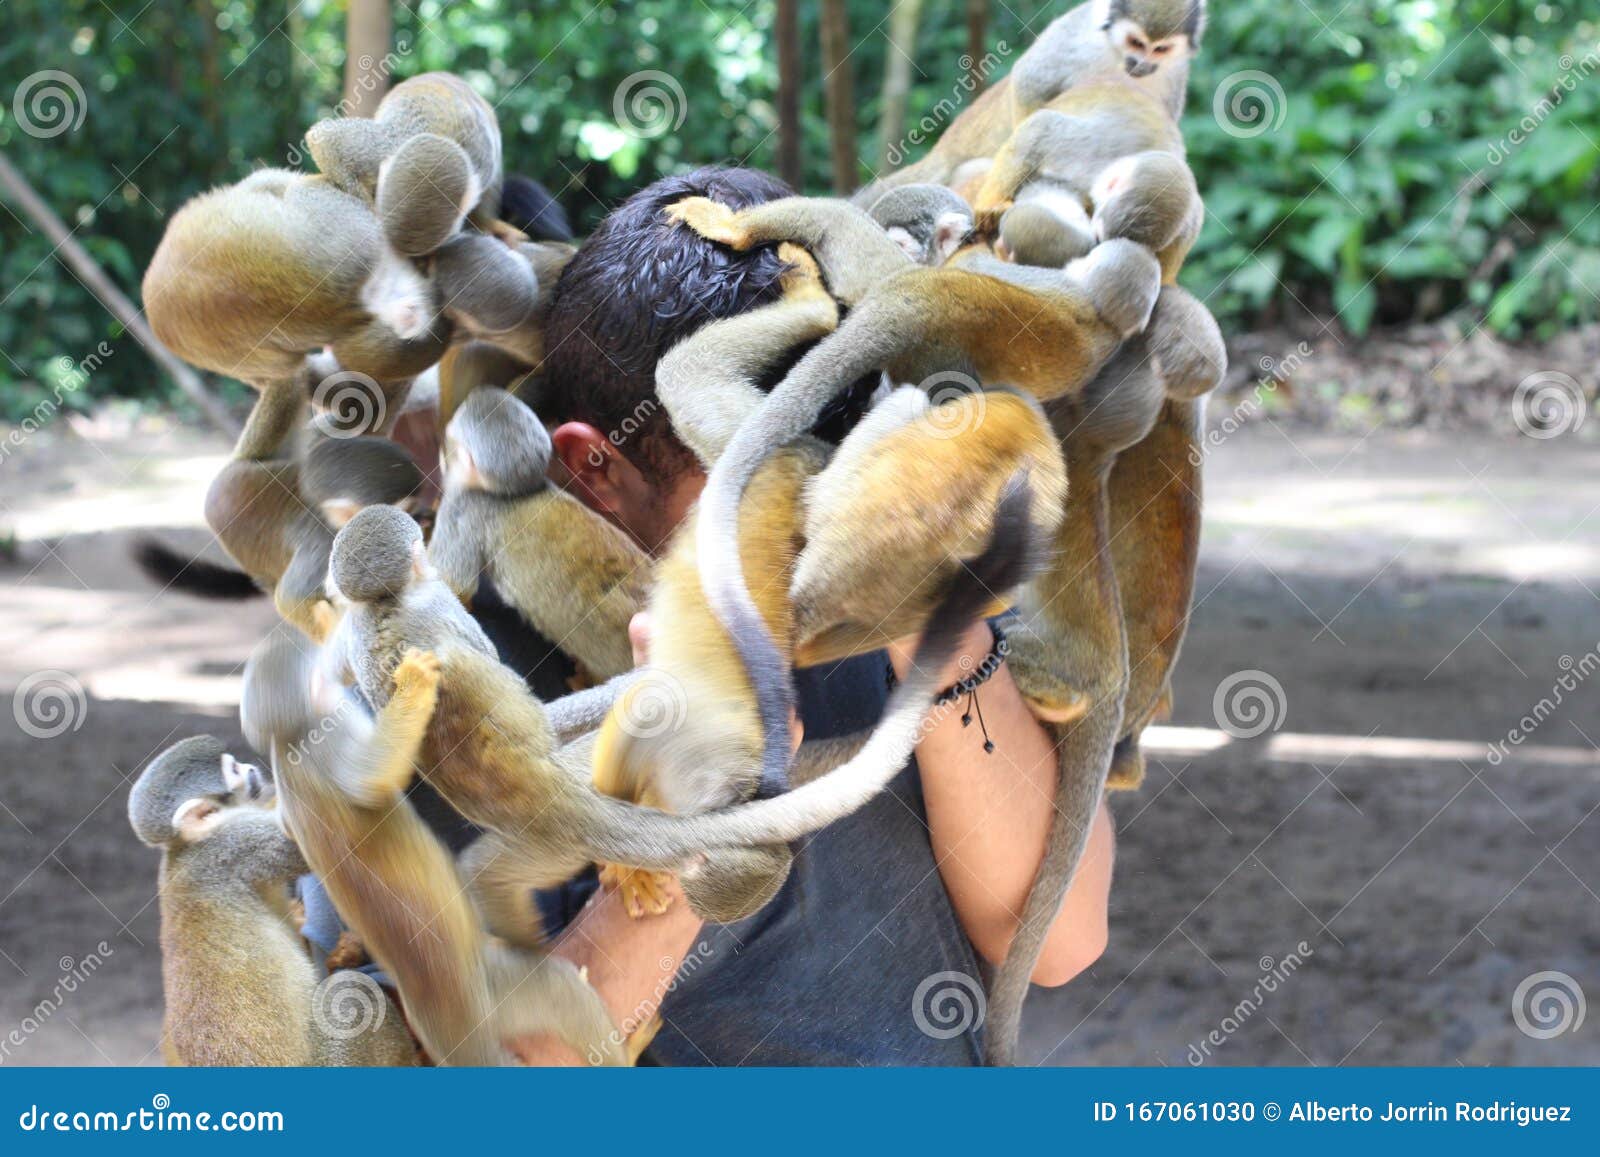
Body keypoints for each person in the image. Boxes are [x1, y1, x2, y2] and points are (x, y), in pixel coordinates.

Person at [485, 166, 1118, 1066]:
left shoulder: (921, 523)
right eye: (769, 499)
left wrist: (926, 621)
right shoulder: (460, 667)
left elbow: (1055, 940)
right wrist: (684, 822)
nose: (816, 525)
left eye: (838, 466)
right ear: (597, 469)